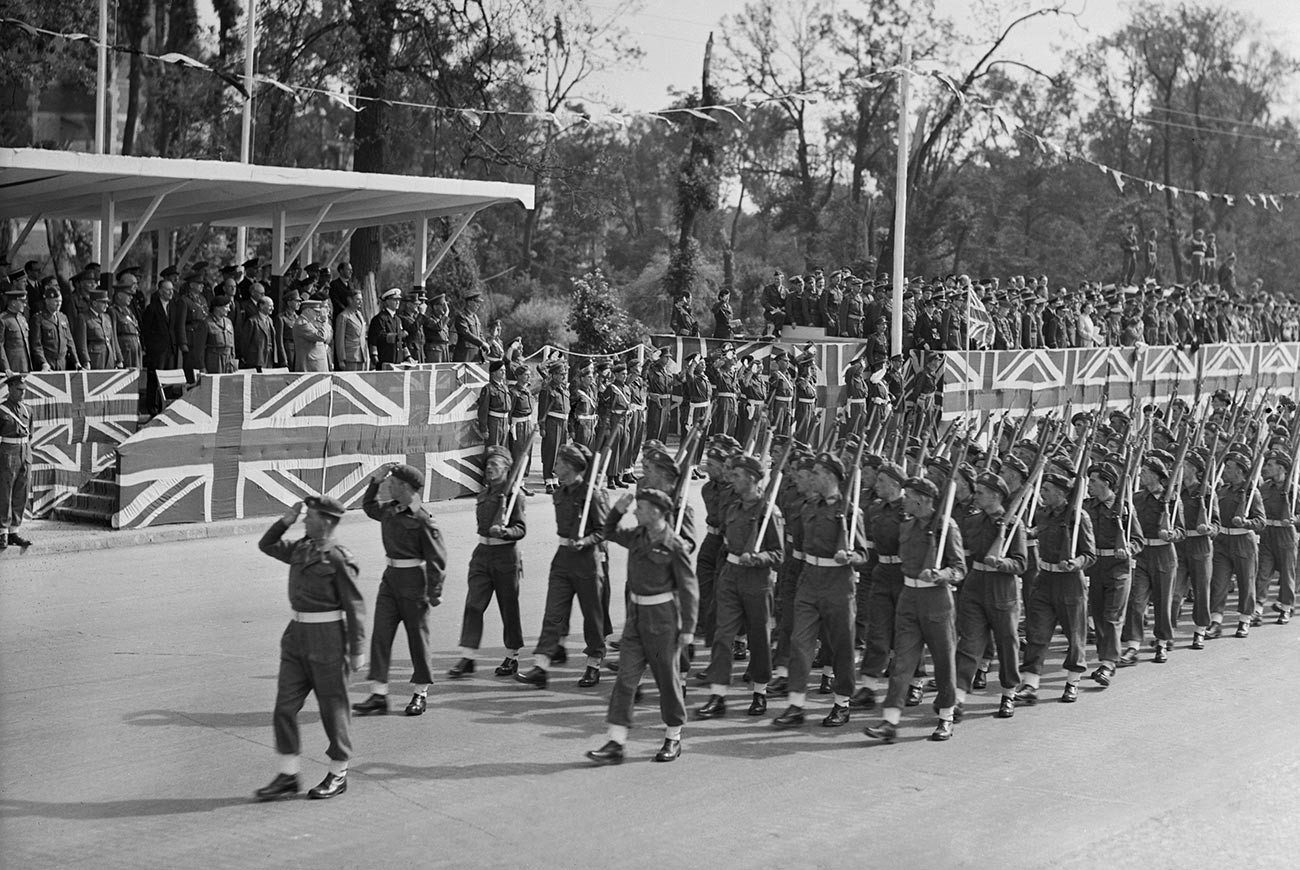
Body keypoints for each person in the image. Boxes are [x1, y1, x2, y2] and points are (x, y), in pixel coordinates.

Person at [254, 495, 366, 802]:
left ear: (326, 521)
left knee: (333, 710)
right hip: (296, 637)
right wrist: (285, 520)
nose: (305, 520)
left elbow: (355, 605)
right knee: (284, 707)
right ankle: (288, 774)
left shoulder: (339, 558)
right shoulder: (301, 549)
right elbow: (267, 545)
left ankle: (338, 772)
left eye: (310, 516)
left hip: (328, 638)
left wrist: (357, 649)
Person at [585, 488, 698, 765]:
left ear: (657, 512)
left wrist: (688, 630)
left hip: (662, 622)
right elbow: (607, 531)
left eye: (641, 507)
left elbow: (689, 590)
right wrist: (618, 509)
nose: (636, 511)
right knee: (625, 679)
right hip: (636, 620)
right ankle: (616, 740)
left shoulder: (674, 545)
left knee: (667, 681)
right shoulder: (637, 536)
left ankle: (673, 736)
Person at [863, 476, 965, 742]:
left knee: (943, 662)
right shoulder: (906, 526)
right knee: (902, 663)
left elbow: (959, 569)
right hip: (908, 597)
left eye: (908, 496)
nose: (904, 500)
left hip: (936, 600)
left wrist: (941, 573)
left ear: (922, 500)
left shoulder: (946, 527)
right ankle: (890, 721)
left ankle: (946, 716)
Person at [772, 453, 866, 730]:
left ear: (831, 477)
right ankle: (796, 704)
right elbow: (799, 548)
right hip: (809, 582)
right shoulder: (808, 508)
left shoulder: (850, 511)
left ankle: (842, 702)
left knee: (841, 647)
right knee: (800, 644)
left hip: (838, 584)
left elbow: (863, 554)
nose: (811, 478)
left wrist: (850, 556)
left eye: (816, 473)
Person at [351, 463, 448, 718]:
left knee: (418, 638)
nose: (388, 486)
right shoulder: (390, 510)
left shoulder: (423, 519)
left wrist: (435, 592)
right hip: (390, 580)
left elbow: (437, 559)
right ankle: (379, 693)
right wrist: (375, 479)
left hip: (414, 582)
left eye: (392, 483)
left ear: (405, 487)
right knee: (381, 635)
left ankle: (420, 693)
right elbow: (369, 507)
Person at [695, 454, 784, 720]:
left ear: (753, 479)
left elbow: (779, 555)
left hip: (757, 581)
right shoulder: (732, 508)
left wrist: (759, 558)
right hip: (731, 576)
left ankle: (759, 691)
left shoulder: (769, 512)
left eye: (736, 475)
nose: (731, 479)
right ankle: (718, 694)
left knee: (758, 638)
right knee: (722, 636)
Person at [517, 444, 610, 690]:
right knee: (553, 613)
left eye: (558, 463)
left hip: (587, 559)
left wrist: (587, 540)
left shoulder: (593, 495)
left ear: (568, 466)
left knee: (593, 616)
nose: (554, 467)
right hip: (563, 557)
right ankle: (542, 665)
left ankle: (593, 664)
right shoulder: (560, 493)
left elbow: (604, 530)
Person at [1016, 470, 1095, 704]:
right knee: (1037, 632)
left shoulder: (1079, 518)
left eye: (1047, 490)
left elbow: (1089, 554)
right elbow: (1038, 531)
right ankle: (1030, 683)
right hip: (1044, 580)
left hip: (1069, 583)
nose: (1043, 494)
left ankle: (1072, 682)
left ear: (1061, 493)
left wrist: (1075, 563)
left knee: (1074, 633)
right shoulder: (1043, 514)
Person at [449, 445, 527, 679]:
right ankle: (468, 655)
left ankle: (512, 655)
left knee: (508, 606)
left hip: (505, 555)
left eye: (495, 464)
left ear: (506, 468)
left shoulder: (515, 495)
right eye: (488, 464)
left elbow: (520, 528)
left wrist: (505, 532)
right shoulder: (484, 494)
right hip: (482, 553)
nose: (489, 468)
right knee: (474, 603)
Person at [954, 472, 1026, 720]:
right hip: (974, 586)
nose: (976, 496)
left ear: (996, 495)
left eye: (981, 492)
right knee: (969, 643)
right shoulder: (973, 521)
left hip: (1001, 589)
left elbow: (1021, 563)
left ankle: (1008, 693)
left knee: (1007, 643)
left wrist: (1002, 563)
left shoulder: (1013, 523)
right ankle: (958, 696)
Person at [1211, 451, 1265, 639]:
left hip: (1243, 542)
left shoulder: (1252, 493)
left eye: (1229, 467)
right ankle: (1216, 621)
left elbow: (1261, 522)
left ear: (1240, 471)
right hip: (1223, 542)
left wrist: (1246, 523)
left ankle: (1244, 620)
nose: (1225, 470)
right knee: (1218, 583)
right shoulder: (1222, 491)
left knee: (1246, 582)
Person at [1254, 451, 1297, 625]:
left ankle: (1286, 607)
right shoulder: (1264, 487)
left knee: (1287, 573)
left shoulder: (1294, 489)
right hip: (1267, 534)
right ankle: (1257, 608)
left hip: (1285, 534)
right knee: (1263, 572)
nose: (1266, 468)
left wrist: (1295, 519)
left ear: (1281, 467)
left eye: (1270, 465)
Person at [0, 374, 33, 551]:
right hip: (7, 452)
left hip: (25, 452)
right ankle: (2, 532)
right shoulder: (2, 410)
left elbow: (31, 435)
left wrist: (27, 453)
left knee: (22, 491)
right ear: (10, 389)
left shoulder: (28, 410)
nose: (22, 393)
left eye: (24, 390)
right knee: (5, 493)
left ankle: (14, 531)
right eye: (19, 390)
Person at [30, 285, 77, 372]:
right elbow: (36, 345)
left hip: (62, 362)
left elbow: (70, 341)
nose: (59, 304)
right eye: (56, 301)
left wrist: (76, 361)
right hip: (47, 361)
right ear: (47, 301)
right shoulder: (38, 318)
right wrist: (43, 362)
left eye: (60, 301)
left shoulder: (63, 317)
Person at [194, 295, 237, 374]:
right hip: (213, 361)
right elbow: (199, 348)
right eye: (226, 307)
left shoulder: (228, 322)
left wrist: (233, 361)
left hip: (228, 362)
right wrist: (202, 367)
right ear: (217, 307)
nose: (229, 310)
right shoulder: (206, 323)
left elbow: (232, 345)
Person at [368, 288, 408, 368]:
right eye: (394, 300)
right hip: (385, 360)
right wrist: (398, 336)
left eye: (398, 300)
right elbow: (377, 338)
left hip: (398, 361)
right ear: (387, 301)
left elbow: (402, 342)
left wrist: (408, 356)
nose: (397, 302)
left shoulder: (398, 319)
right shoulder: (380, 318)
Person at [240, 296, 280, 371]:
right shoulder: (252, 321)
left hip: (269, 357)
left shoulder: (270, 320)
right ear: (261, 306)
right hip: (257, 358)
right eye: (270, 306)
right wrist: (246, 357)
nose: (272, 308)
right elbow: (245, 342)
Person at [292, 300, 332, 373]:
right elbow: (321, 337)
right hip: (310, 366)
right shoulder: (302, 324)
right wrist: (325, 322)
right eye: (316, 312)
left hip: (316, 366)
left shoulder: (310, 323)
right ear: (307, 311)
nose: (318, 314)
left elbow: (327, 337)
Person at [333, 289, 367, 371]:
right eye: (358, 299)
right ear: (350, 300)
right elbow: (339, 339)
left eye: (361, 299)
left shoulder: (359, 314)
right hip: (350, 357)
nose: (360, 302)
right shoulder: (343, 316)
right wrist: (341, 359)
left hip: (362, 355)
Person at [452, 292, 491, 362]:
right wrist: (482, 343)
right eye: (477, 302)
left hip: (476, 355)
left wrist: (485, 344)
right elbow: (465, 333)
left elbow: (480, 334)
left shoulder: (475, 317)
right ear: (469, 303)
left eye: (479, 302)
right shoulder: (461, 317)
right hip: (465, 355)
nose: (478, 305)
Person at [1, 288, 32, 376]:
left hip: (26, 365)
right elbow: (0, 345)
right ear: (14, 302)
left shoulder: (22, 318)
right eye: (22, 301)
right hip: (12, 367)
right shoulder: (3, 319)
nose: (25, 304)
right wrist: (6, 367)